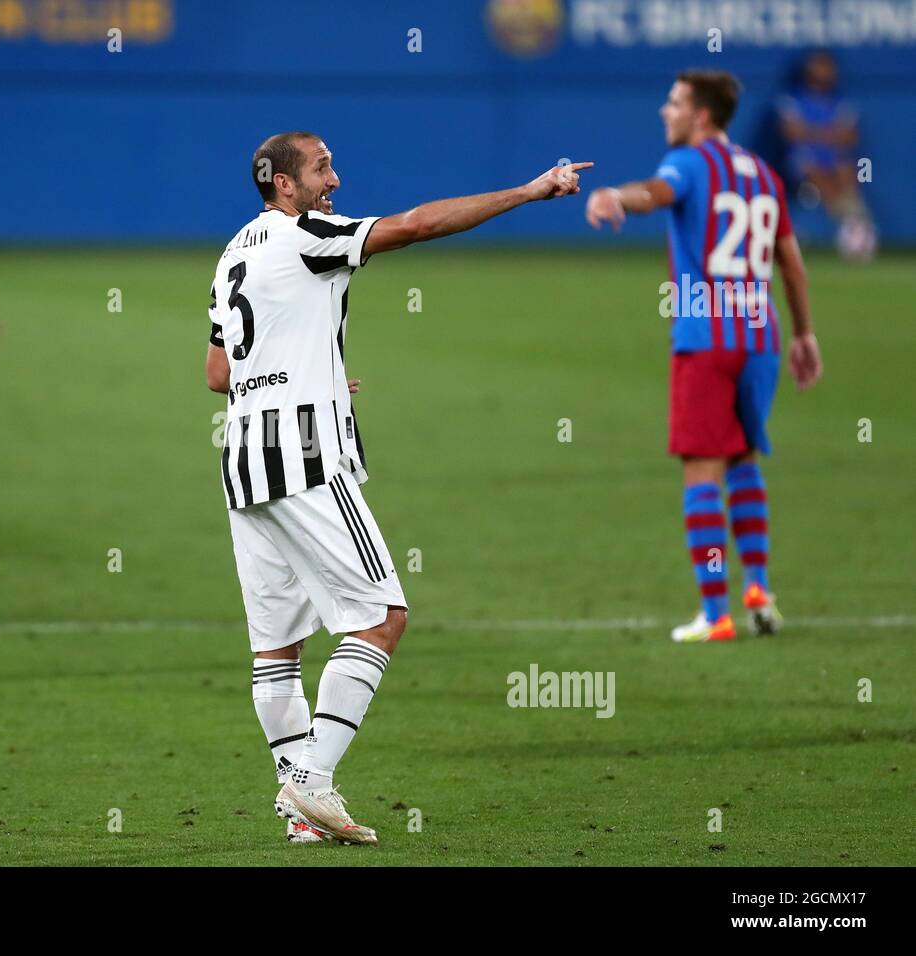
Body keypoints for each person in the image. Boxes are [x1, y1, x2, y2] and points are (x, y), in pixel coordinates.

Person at [206, 131, 589, 843]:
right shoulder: (308, 233)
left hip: (242, 454)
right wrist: (528, 192)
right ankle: (311, 783)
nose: (336, 180)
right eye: (322, 168)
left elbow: (218, 373)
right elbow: (413, 226)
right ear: (284, 185)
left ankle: (304, 817)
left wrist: (308, 369)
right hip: (304, 449)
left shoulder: (234, 252)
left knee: (276, 648)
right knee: (382, 615)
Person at [585, 70, 823, 644]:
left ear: (703, 116)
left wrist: (617, 195)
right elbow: (790, 260)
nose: (664, 112)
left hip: (706, 335)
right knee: (743, 459)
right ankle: (759, 587)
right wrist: (804, 334)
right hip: (760, 335)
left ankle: (715, 610)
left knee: (701, 473)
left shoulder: (691, 164)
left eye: (674, 103)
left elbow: (657, 194)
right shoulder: (763, 174)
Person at [777, 50, 876, 261]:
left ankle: (854, 220)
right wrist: (830, 132)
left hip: (832, 158)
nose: (823, 72)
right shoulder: (793, 98)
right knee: (811, 167)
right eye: (818, 66)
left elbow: (850, 137)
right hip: (801, 162)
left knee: (844, 166)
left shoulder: (840, 100)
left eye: (826, 67)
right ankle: (850, 221)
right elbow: (791, 133)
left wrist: (810, 131)